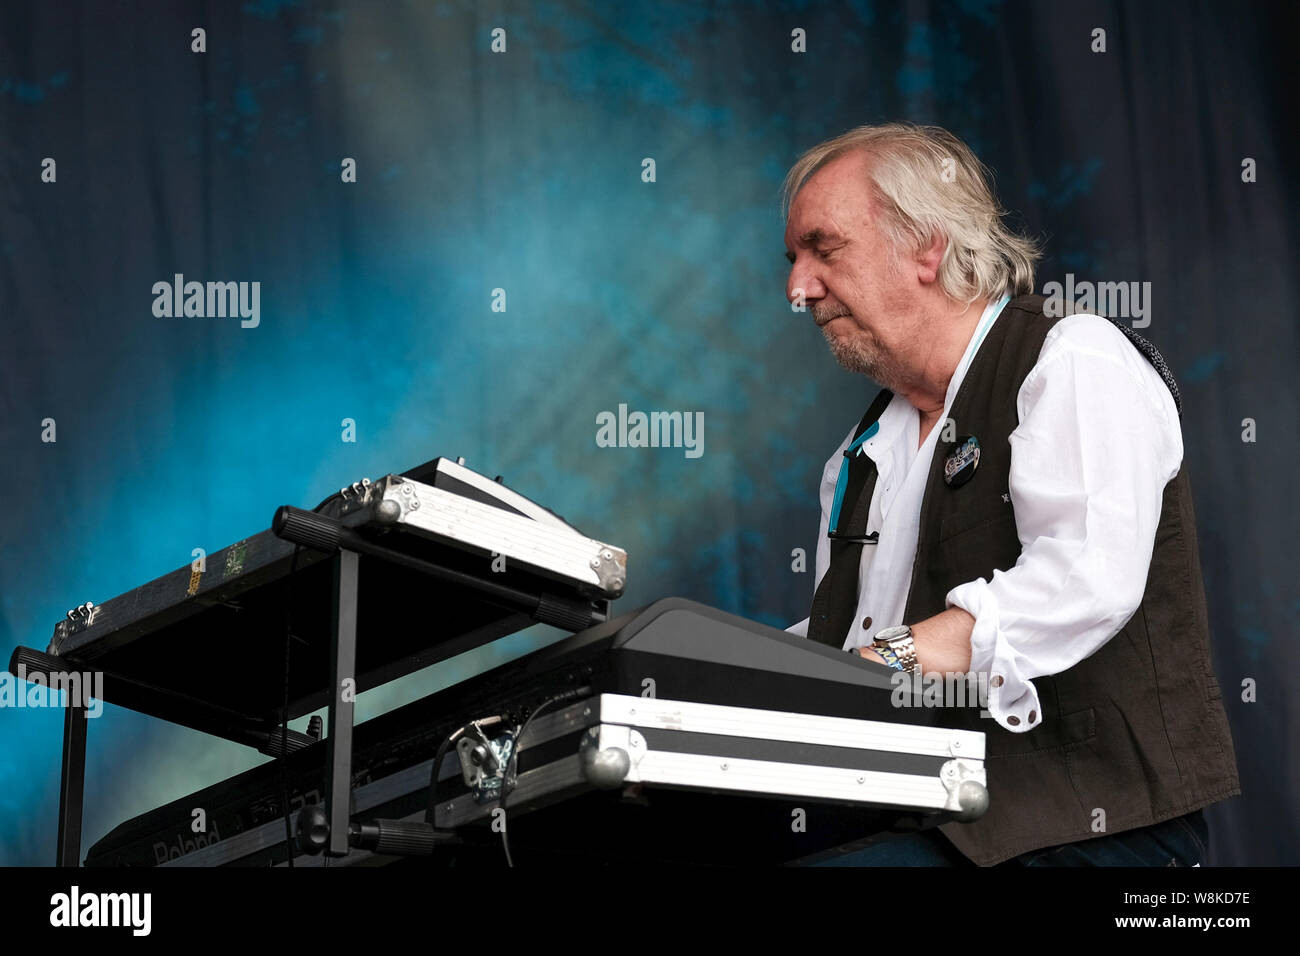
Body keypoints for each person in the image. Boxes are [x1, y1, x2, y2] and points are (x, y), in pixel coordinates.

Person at [781, 123, 1240, 866]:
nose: (797, 288)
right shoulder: (858, 457)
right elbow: (853, 642)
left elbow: (1084, 580)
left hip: (1087, 835)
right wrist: (710, 677)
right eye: (794, 259)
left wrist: (884, 662)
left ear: (927, 246)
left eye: (824, 249)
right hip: (928, 817)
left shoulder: (1073, 359)